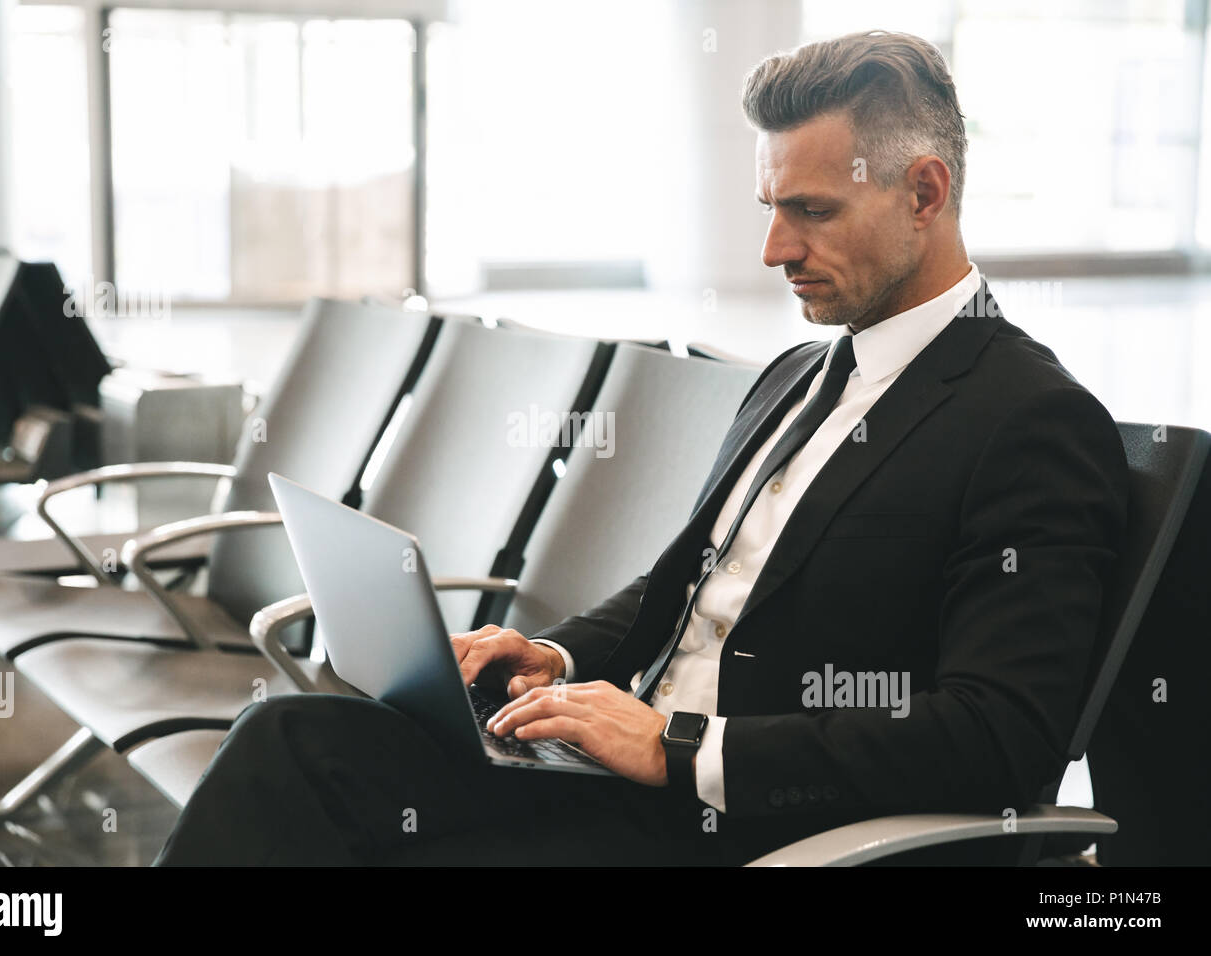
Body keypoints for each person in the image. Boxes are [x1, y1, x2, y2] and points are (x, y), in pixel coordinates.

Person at [155, 30, 1128, 867]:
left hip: (740, 820)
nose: (773, 250)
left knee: (318, 807)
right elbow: (683, 585)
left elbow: (998, 733)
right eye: (769, 208)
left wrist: (679, 744)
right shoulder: (793, 374)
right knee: (295, 736)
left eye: (813, 211)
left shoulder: (1030, 420)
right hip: (623, 772)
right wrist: (554, 651)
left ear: (924, 191)